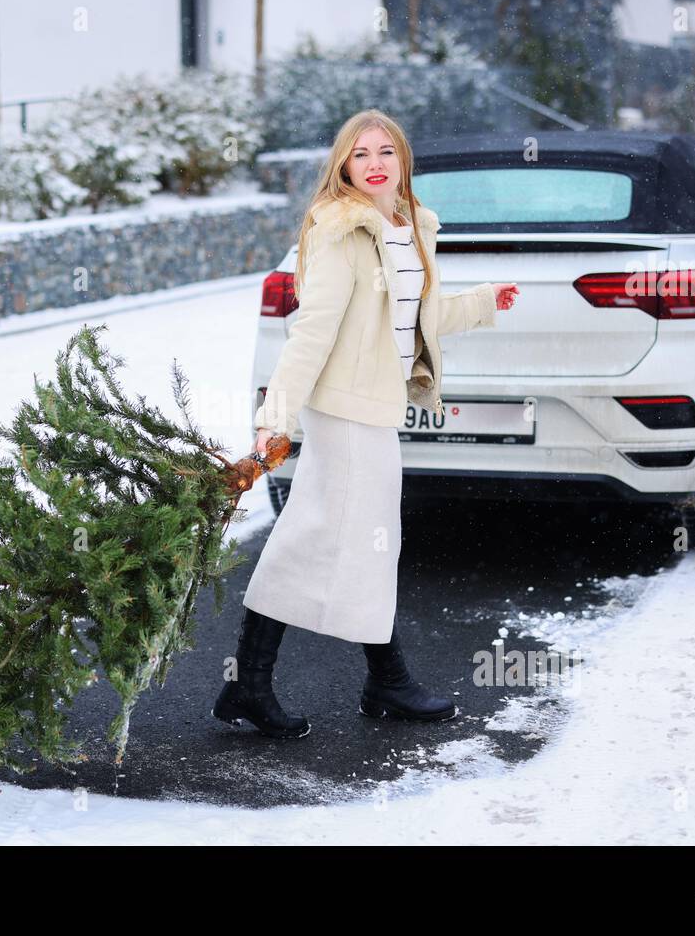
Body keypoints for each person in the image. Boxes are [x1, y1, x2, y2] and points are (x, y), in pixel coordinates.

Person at [212, 109, 520, 739]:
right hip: (345, 413)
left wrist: (484, 303)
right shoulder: (340, 232)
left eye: (386, 151)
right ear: (344, 166)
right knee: (332, 540)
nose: (376, 164)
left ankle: (271, 682)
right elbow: (312, 331)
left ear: (403, 158)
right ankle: (363, 681)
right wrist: (276, 419)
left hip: (374, 411)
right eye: (361, 155)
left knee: (348, 541)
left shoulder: (409, 226)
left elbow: (416, 320)